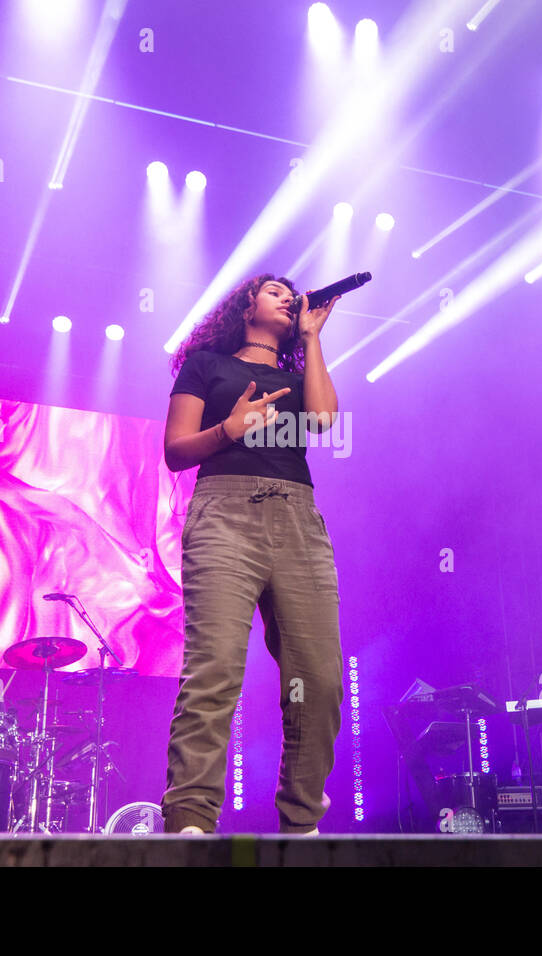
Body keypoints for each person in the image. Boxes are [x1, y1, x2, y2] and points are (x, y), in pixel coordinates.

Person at [160, 273, 344, 835]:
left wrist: (312, 339)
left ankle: (302, 817)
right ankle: (190, 818)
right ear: (246, 307)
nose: (288, 298)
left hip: (297, 518)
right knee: (214, 670)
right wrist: (230, 428)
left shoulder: (295, 372)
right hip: (225, 515)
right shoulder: (206, 366)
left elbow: (323, 421)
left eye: (293, 294)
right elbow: (174, 450)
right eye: (274, 291)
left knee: (320, 678)